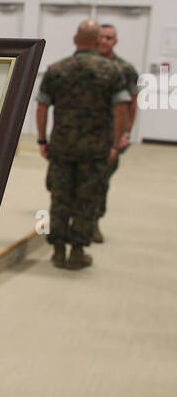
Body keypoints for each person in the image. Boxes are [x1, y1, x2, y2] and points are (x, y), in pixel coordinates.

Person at [35, 19, 130, 270]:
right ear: (97, 41)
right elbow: (121, 109)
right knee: (86, 199)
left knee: (60, 197)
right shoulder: (112, 71)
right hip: (95, 148)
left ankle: (57, 250)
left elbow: (42, 106)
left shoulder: (57, 70)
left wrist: (42, 139)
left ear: (76, 40)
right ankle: (77, 251)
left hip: (62, 146)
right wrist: (114, 145)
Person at [92, 23, 139, 242]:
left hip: (110, 135)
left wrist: (126, 133)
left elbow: (131, 103)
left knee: (101, 180)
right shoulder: (85, 64)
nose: (104, 41)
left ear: (115, 41)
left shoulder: (125, 69)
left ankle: (93, 223)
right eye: (101, 37)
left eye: (109, 38)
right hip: (82, 134)